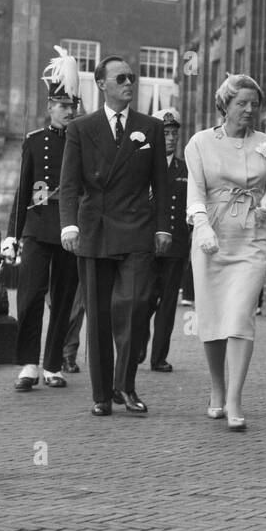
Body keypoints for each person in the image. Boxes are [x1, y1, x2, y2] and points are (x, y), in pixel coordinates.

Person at [59, 55, 170, 418]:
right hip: (96, 230)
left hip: (137, 230)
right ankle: (103, 394)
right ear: (102, 84)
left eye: (132, 77)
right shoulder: (80, 128)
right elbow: (70, 183)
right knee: (100, 315)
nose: (129, 83)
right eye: (121, 78)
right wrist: (69, 225)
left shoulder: (150, 127)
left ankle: (126, 384)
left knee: (136, 305)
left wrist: (163, 226)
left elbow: (162, 185)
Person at [186, 74, 266, 431]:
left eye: (254, 104)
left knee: (241, 316)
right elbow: (195, 189)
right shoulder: (200, 142)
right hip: (213, 235)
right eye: (242, 103)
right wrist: (202, 226)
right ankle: (216, 386)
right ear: (224, 105)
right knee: (212, 318)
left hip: (253, 237)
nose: (249, 110)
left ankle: (236, 396)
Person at [4, 54, 82, 393]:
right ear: (50, 106)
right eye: (62, 105)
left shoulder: (83, 140)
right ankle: (29, 364)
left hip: (69, 228)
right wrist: (12, 235)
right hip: (36, 226)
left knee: (64, 299)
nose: (68, 111)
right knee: (30, 296)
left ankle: (52, 364)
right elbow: (23, 190)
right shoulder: (34, 141)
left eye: (72, 105)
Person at [144, 107, 190, 372]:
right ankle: (140, 341)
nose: (171, 138)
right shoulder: (145, 165)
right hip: (148, 245)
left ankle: (159, 356)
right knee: (145, 298)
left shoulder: (185, 168)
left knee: (169, 303)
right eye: (166, 133)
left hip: (176, 245)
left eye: (174, 133)